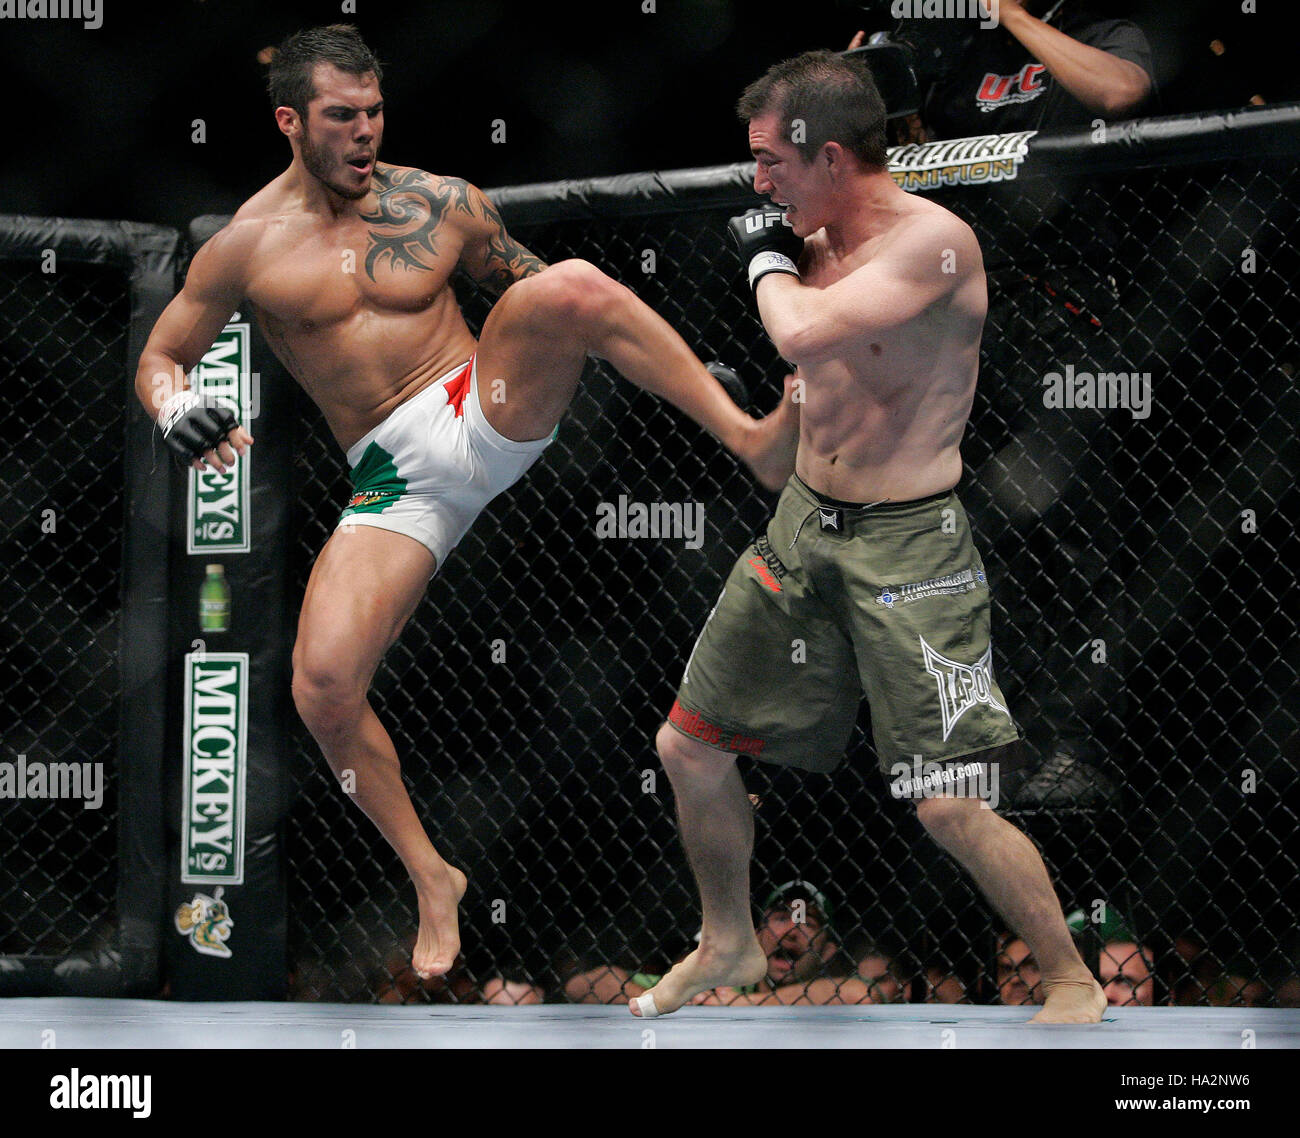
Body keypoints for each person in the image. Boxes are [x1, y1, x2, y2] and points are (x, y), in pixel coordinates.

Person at [133, 24, 798, 981]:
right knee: (320, 688)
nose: (364, 132)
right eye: (340, 116)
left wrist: (679, 369)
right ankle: (431, 875)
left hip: (478, 404)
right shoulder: (242, 248)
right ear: (290, 121)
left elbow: (543, 293)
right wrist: (176, 406)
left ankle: (749, 439)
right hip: (392, 479)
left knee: (565, 285)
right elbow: (163, 357)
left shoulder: (440, 202)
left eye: (374, 112)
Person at [629, 49, 1105, 1024]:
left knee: (948, 799)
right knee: (687, 747)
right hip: (801, 524)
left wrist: (761, 258)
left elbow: (805, 334)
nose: (755, 183)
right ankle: (729, 935)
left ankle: (1068, 973)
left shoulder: (934, 245)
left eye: (771, 162)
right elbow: (807, 385)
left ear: (833, 156)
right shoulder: (813, 238)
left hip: (910, 546)